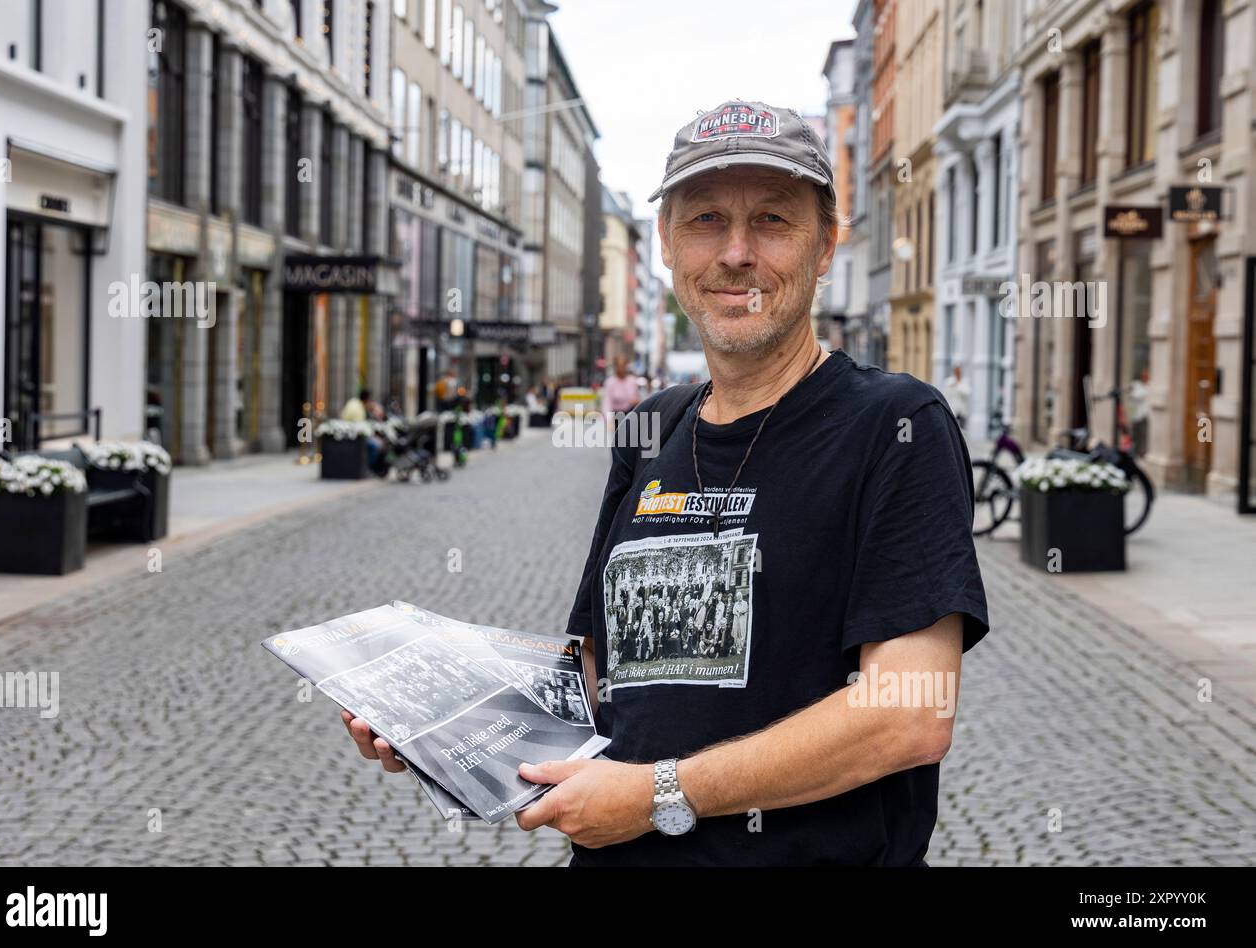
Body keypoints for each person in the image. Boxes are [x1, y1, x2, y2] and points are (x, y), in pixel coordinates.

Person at [339, 98, 989, 867]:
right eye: (706, 219)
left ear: (825, 249)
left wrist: (657, 796)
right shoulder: (653, 428)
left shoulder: (894, 424)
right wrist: (444, 729)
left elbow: (907, 715)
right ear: (667, 247)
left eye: (774, 221)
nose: (737, 253)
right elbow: (594, 677)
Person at [941, 364, 971, 430]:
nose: (958, 373)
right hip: (952, 409)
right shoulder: (949, 381)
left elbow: (967, 392)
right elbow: (945, 393)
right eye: (957, 371)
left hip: (962, 410)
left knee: (962, 429)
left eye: (959, 371)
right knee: (952, 428)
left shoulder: (964, 381)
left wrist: (957, 385)